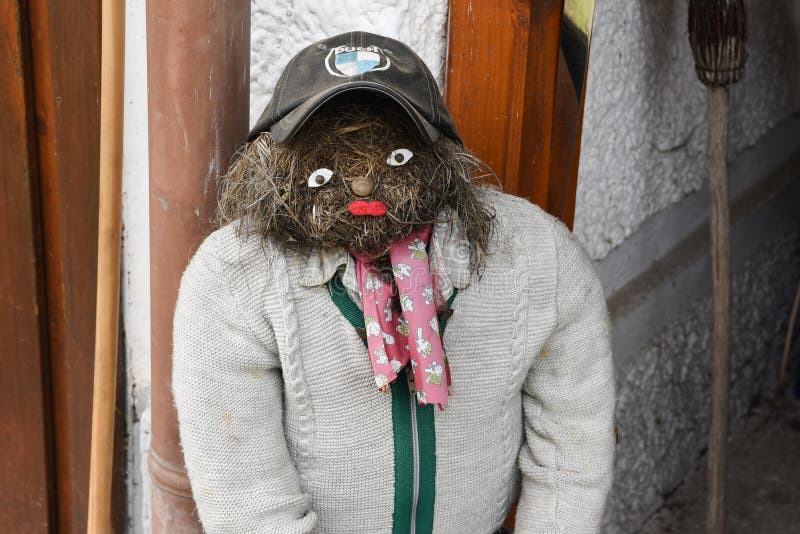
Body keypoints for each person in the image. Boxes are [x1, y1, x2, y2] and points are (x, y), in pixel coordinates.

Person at [173, 31, 615, 534]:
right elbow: (245, 497)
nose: (362, 184)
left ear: (439, 156)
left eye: (395, 156)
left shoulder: (534, 254)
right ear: (277, 165)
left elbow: (573, 445)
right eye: (330, 161)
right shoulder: (234, 278)